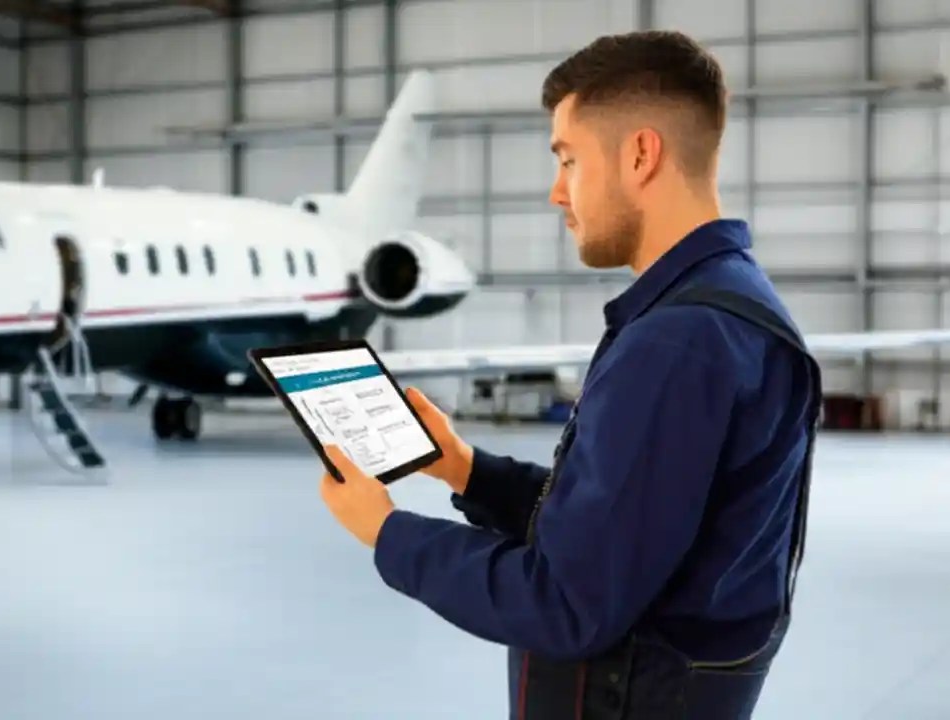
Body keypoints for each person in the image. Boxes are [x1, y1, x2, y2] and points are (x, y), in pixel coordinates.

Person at [317, 29, 822, 720]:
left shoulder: (677, 343)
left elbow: (564, 603)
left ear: (641, 153)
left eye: (568, 159)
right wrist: (467, 470)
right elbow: (621, 529)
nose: (557, 193)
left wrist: (388, 532)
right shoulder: (730, 305)